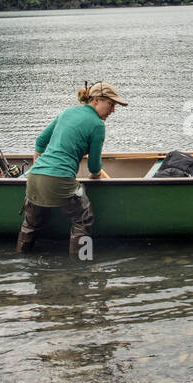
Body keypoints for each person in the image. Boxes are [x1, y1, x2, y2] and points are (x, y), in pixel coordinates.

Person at [18, 81, 128, 255]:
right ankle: (80, 267)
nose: (113, 110)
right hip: (60, 180)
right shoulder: (98, 125)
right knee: (83, 219)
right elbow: (93, 167)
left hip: (34, 176)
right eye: (111, 104)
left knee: (30, 223)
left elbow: (40, 142)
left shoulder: (67, 112)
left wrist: (40, 168)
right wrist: (94, 179)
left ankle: (21, 257)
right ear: (97, 100)